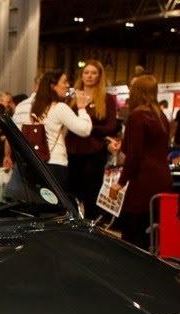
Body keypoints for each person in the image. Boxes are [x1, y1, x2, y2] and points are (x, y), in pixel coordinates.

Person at [107, 74, 171, 249]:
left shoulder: (137, 116)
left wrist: (120, 183)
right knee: (151, 234)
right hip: (162, 178)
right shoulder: (161, 116)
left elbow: (135, 155)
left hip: (142, 180)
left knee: (132, 236)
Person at [13, 70, 91, 187]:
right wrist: (82, 107)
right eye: (64, 82)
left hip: (30, 162)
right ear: (53, 86)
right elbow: (84, 129)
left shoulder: (27, 107)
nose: (68, 85)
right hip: (54, 164)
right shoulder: (59, 108)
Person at [66, 60, 117, 220]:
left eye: (94, 73)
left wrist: (87, 127)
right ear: (81, 75)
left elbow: (111, 127)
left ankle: (90, 224)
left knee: (91, 194)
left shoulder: (107, 99)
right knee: (71, 193)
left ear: (100, 76)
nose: (89, 76)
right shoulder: (71, 98)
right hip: (72, 151)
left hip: (94, 152)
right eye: (86, 72)